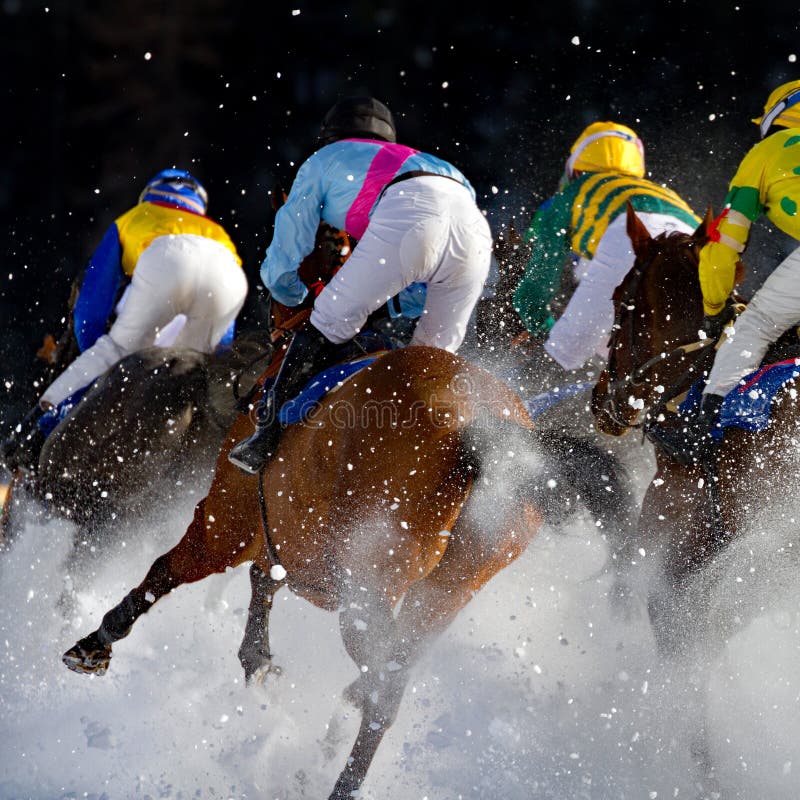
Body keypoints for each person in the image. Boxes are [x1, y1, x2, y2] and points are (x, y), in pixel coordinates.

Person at [227, 94, 493, 474]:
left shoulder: (323, 159)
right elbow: (425, 271)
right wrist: (389, 306)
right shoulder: (429, 160)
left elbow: (293, 237)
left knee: (329, 321)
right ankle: (441, 457)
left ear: (330, 136)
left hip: (411, 214)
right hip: (476, 229)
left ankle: (265, 438)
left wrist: (290, 290)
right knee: (431, 360)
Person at [2, 168, 248, 471]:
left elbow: (90, 310)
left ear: (150, 194)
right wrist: (217, 354)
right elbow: (223, 345)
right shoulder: (218, 233)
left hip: (166, 259)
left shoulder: (133, 217)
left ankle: (36, 431)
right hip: (230, 273)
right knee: (196, 373)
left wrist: (101, 355)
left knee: (114, 350)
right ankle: (214, 458)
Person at [648, 80, 800, 466]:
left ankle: (703, 431)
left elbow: (720, 252)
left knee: (757, 323)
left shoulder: (766, 153)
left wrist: (715, 311)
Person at [512, 121, 699, 373]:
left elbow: (534, 290)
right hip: (694, 238)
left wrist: (546, 330)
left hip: (628, 235)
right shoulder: (664, 193)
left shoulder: (574, 193)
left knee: (559, 359)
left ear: (575, 170)